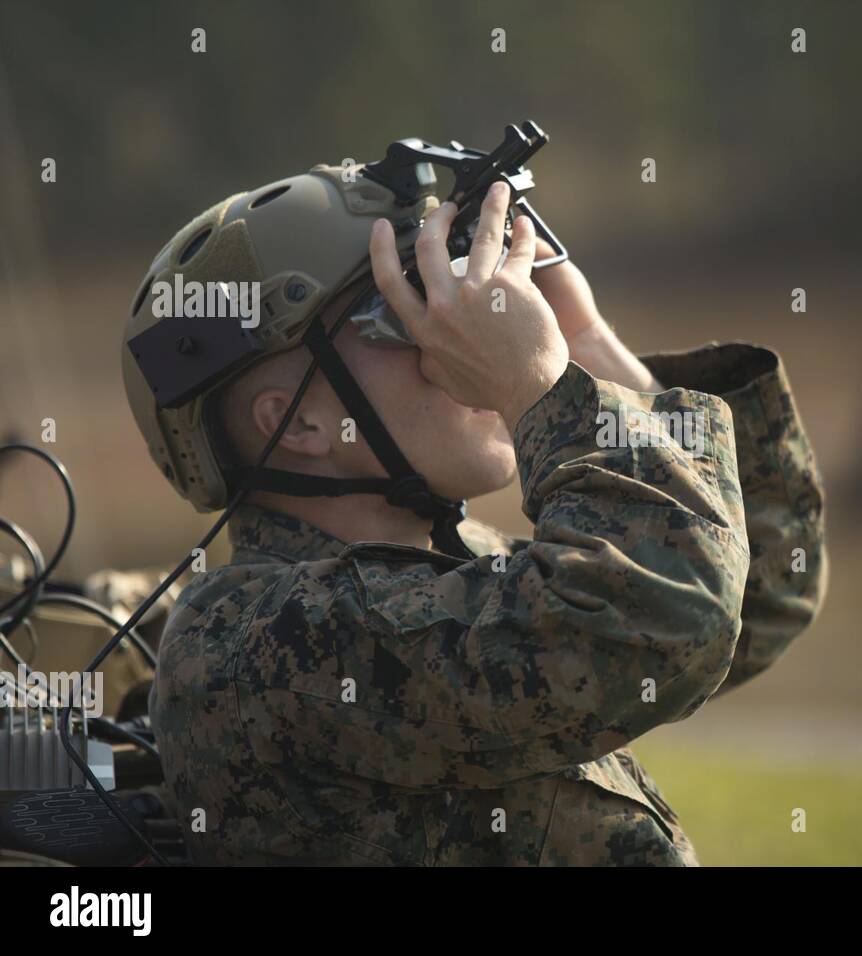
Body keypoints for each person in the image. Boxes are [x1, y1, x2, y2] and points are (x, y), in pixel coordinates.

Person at [122, 156, 826, 865]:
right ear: (297, 424)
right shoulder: (264, 648)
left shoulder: (452, 570)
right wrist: (536, 384)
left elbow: (759, 593)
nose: (457, 328)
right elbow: (672, 620)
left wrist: (584, 346)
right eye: (407, 308)